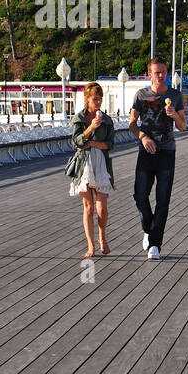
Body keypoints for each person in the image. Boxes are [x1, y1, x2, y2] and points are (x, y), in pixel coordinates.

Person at [129, 57, 185, 260]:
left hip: (167, 152)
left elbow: (183, 126)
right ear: (149, 74)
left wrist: (174, 115)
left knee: (163, 199)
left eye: (163, 72)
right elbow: (132, 124)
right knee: (139, 195)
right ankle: (148, 227)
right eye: (156, 72)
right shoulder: (141, 95)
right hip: (146, 151)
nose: (160, 75)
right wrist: (143, 137)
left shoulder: (175, 96)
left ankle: (155, 244)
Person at [69, 83, 115, 258]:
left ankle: (102, 237)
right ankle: (91, 245)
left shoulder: (107, 120)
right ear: (87, 99)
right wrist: (91, 128)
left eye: (100, 98)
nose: (98, 101)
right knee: (88, 208)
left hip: (102, 163)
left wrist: (92, 143)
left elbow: (111, 144)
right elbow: (75, 142)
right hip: (84, 165)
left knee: (101, 208)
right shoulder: (79, 119)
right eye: (95, 98)